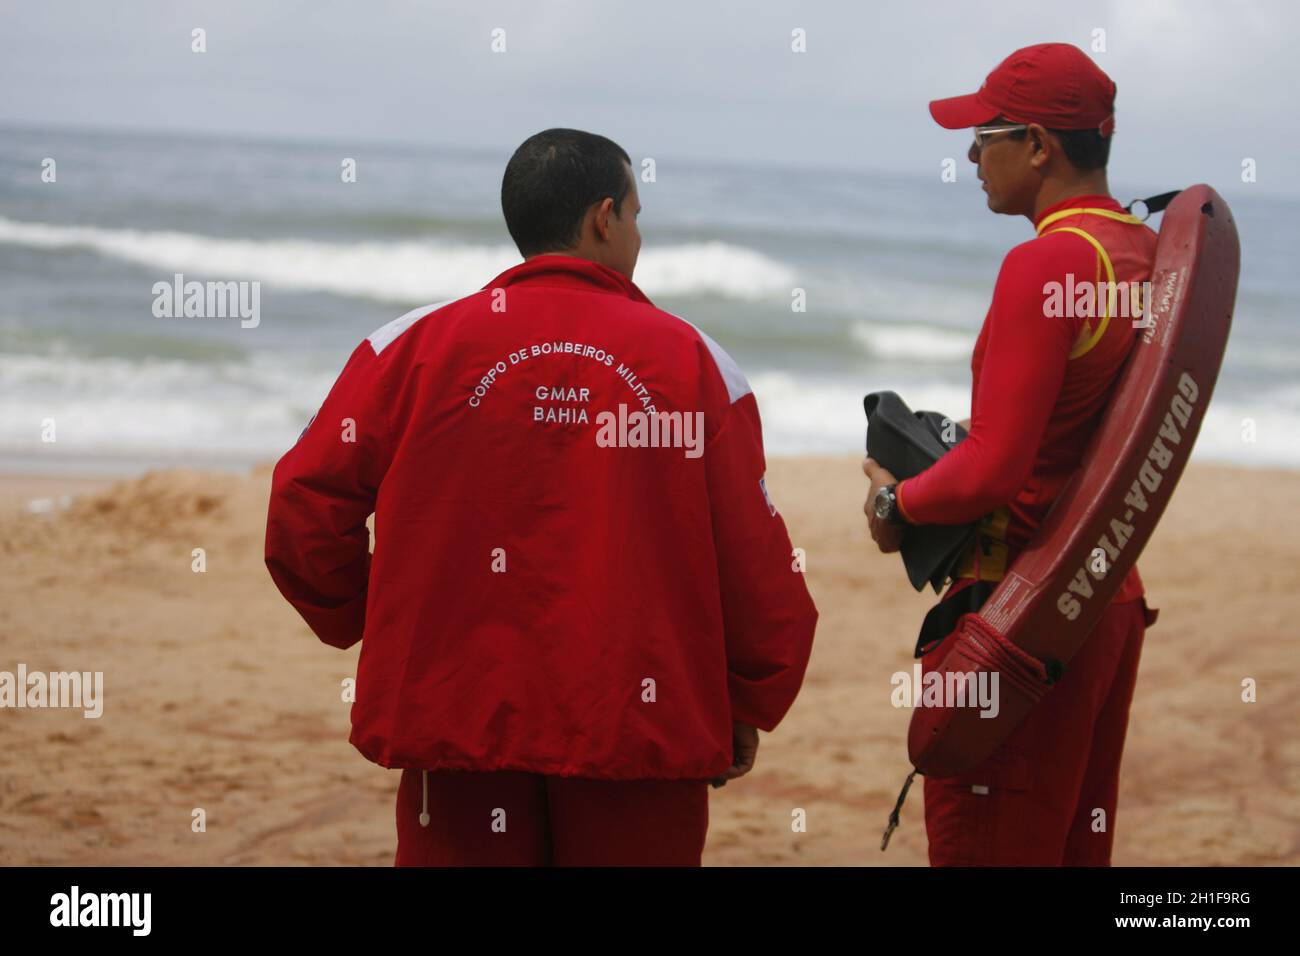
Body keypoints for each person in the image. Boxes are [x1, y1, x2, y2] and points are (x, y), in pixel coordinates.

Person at [265, 128, 817, 866]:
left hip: (455, 716)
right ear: (602, 218)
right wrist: (746, 698)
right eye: (636, 214)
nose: (638, 233)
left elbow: (303, 504)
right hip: (637, 730)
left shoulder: (412, 346)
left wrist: (381, 622)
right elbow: (754, 556)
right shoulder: (692, 362)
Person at [863, 44, 1160, 866]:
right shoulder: (1140, 252)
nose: (969, 157)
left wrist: (899, 503)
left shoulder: (1047, 262)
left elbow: (995, 469)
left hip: (1021, 612)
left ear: (1037, 145)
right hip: (1104, 601)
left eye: (984, 135)